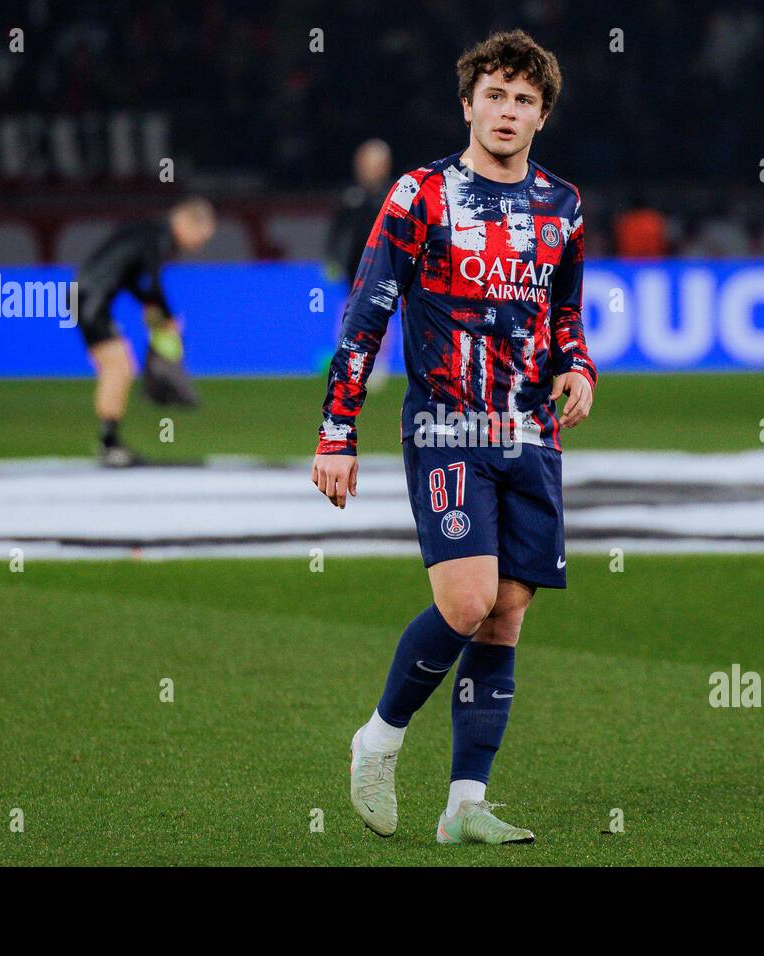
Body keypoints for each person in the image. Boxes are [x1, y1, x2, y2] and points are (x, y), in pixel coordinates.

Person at [311, 30, 596, 845]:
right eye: (495, 95)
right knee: (467, 601)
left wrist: (578, 369)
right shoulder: (420, 196)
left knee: (506, 612)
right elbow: (366, 313)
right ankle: (380, 737)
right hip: (446, 427)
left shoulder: (563, 205)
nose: (508, 112)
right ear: (467, 104)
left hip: (531, 432)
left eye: (525, 100)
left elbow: (565, 316)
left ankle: (464, 804)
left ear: (542, 116)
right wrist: (338, 431)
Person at [71, 198, 215, 466]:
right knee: (118, 367)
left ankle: (109, 442)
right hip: (90, 300)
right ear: (186, 223)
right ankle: (109, 445)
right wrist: (167, 317)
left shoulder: (148, 231)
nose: (198, 245)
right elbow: (150, 283)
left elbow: (132, 279)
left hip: (85, 297)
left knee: (117, 367)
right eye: (200, 237)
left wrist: (156, 313)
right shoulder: (159, 237)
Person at [325, 139, 396, 389]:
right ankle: (345, 363)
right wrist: (332, 257)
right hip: (354, 267)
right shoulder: (350, 195)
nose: (366, 169)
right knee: (349, 314)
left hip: (383, 266)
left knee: (379, 314)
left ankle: (378, 365)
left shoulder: (393, 195)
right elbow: (337, 231)